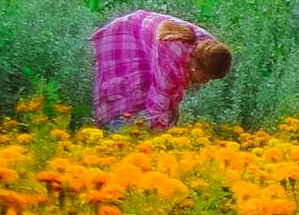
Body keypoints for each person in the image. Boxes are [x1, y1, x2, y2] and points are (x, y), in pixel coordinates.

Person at [89, 7, 228, 131]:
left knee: (158, 101)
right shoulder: (172, 55)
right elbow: (160, 100)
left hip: (151, 37)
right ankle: (114, 131)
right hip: (129, 34)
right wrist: (160, 143)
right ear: (197, 68)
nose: (206, 82)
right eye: (207, 77)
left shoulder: (210, 49)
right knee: (127, 89)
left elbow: (172, 90)